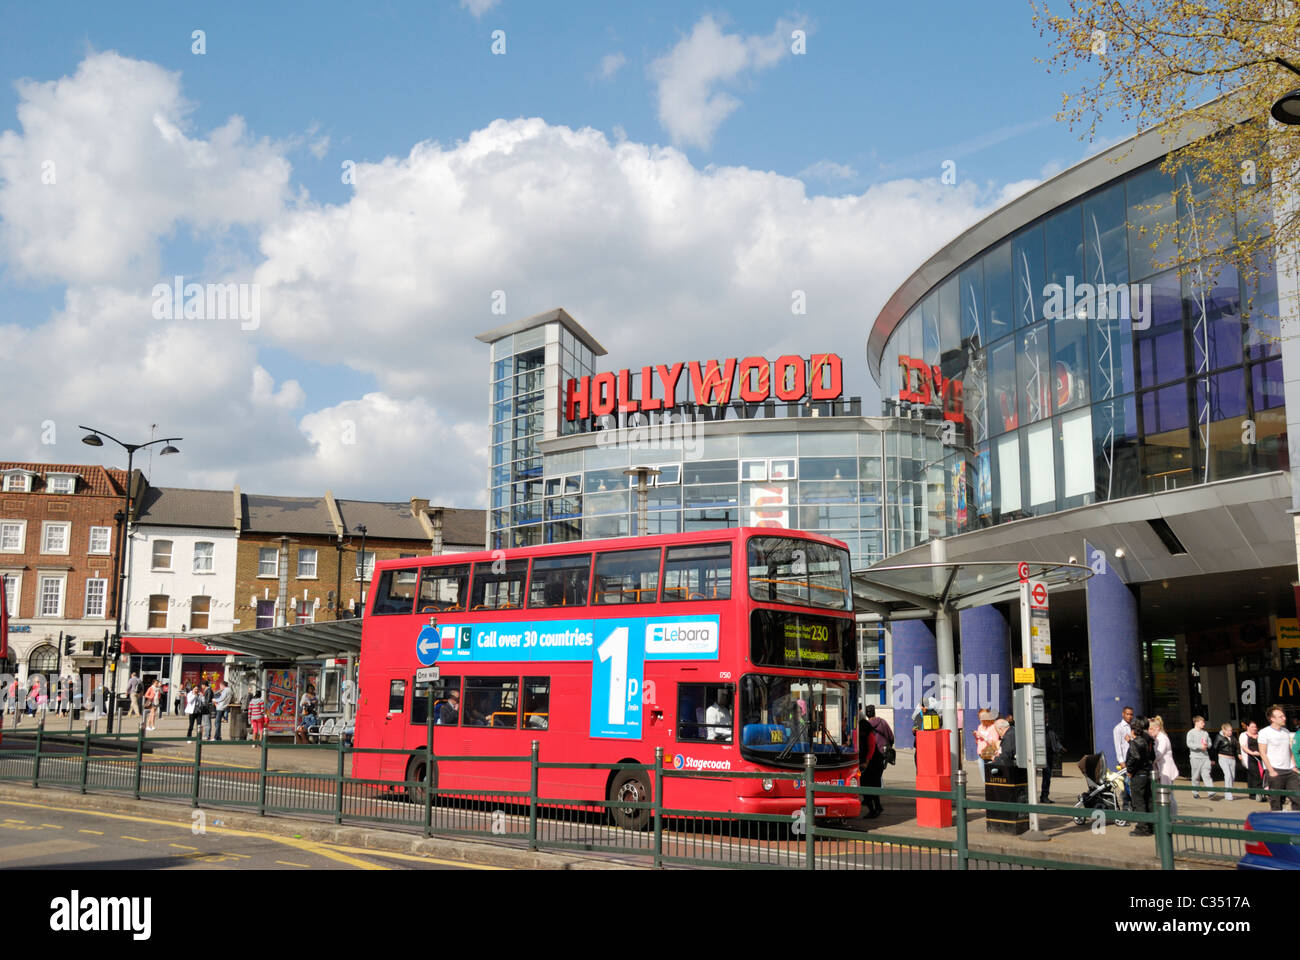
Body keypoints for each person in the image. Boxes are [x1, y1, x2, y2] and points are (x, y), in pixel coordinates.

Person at [1259, 705, 1299, 812]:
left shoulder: (1286, 732)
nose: (1284, 718)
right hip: (1275, 770)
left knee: (1297, 797)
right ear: (1272, 719)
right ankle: (1277, 824)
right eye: (1280, 716)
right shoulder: (1264, 732)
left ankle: (1296, 822)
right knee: (1276, 800)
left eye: (1284, 715)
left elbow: (1289, 750)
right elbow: (1262, 753)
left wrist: (1294, 766)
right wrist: (1271, 770)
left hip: (1289, 771)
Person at [1126, 716, 1156, 837]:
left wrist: (1130, 770)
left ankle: (1142, 827)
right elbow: (1150, 755)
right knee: (1148, 799)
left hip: (1139, 773)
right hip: (1147, 771)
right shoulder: (1148, 738)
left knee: (1138, 801)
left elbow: (1135, 756)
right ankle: (1151, 825)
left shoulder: (1138, 740)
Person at [862, 704, 893, 818]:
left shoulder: (865, 726)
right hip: (882, 755)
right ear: (874, 712)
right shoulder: (883, 722)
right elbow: (891, 736)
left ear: (866, 714)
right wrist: (887, 747)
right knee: (875, 780)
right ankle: (875, 805)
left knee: (867, 782)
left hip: (870, 758)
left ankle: (873, 806)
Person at [1151, 716, 1178, 817]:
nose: (1149, 731)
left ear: (1157, 728)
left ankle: (1172, 816)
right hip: (1161, 769)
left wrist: (1149, 760)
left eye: (1151, 729)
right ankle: (1167, 816)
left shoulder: (1162, 738)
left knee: (1168, 794)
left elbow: (1158, 754)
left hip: (1166, 770)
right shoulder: (1157, 738)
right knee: (1164, 794)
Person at [1186, 716, 1214, 799]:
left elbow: (1210, 743)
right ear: (1196, 722)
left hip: (1205, 757)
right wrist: (1199, 746)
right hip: (1195, 757)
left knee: (1206, 774)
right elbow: (1189, 744)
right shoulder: (1191, 732)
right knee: (1196, 775)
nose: (1204, 724)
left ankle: (1210, 791)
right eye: (1202, 722)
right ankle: (1195, 792)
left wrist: (1207, 745)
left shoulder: (1205, 733)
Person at [1240, 721, 1265, 801]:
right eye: (1252, 727)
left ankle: (1258, 793)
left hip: (1260, 757)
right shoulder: (1243, 735)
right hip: (1250, 757)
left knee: (1261, 775)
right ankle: (1256, 794)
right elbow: (1243, 746)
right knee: (1255, 776)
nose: (1255, 728)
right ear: (1247, 727)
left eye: (1255, 727)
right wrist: (1252, 753)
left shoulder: (1260, 735)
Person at [974, 709, 1001, 783]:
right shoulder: (980, 727)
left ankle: (995, 792)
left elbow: (994, 742)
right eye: (979, 717)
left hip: (990, 755)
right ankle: (989, 792)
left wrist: (983, 736)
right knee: (984, 779)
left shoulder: (993, 727)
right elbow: (978, 742)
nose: (980, 719)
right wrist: (975, 736)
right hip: (981, 754)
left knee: (991, 777)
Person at [1213, 721, 1238, 801]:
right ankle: (1228, 795)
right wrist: (1213, 759)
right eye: (1228, 731)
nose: (1230, 732)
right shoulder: (1219, 737)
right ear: (1224, 730)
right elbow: (1215, 748)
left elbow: (1237, 747)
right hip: (1223, 757)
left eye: (1231, 730)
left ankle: (1229, 792)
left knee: (1232, 776)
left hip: (1232, 758)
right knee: (1228, 775)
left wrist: (1239, 754)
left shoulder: (1233, 738)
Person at [1041, 720, 1064, 803]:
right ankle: (1044, 796)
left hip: (1049, 754)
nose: (1046, 719)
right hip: (1042, 754)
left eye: (1047, 718)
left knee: (1047, 775)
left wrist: (1060, 747)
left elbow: (1055, 739)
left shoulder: (1049, 729)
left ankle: (1044, 795)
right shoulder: (1039, 729)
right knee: (1046, 774)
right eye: (1045, 718)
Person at [1112, 705, 1135, 771]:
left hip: (1133, 759)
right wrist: (1121, 761)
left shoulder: (1133, 726)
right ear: (1123, 714)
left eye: (1131, 714)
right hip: (1125, 760)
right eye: (1127, 714)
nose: (1129, 716)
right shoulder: (1118, 728)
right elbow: (1117, 746)